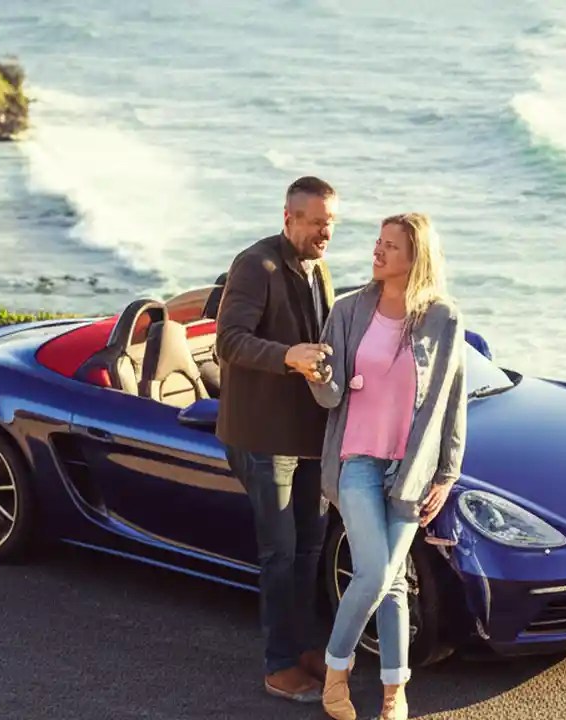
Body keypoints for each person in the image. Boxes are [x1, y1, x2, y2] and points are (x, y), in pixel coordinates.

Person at [308, 212, 468, 720]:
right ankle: (336, 674)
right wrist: (320, 373)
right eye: (378, 242)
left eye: (390, 246)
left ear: (415, 258)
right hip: (355, 458)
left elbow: (452, 399)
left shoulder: (443, 319)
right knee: (376, 571)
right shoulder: (349, 309)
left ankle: (394, 693)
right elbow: (329, 395)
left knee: (393, 578)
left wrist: (447, 472)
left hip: (411, 470)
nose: (377, 251)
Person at [215, 176, 338, 703]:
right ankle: (278, 665)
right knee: (281, 552)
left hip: (308, 435)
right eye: (315, 222)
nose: (325, 232)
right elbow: (229, 342)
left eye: (330, 222)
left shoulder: (319, 266)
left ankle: (305, 645)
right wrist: (288, 356)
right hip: (263, 436)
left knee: (310, 546)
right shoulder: (255, 265)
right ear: (288, 217)